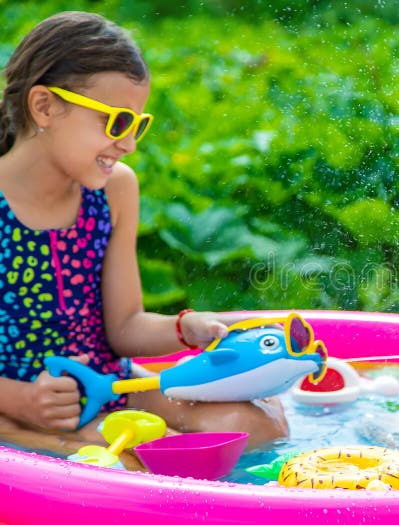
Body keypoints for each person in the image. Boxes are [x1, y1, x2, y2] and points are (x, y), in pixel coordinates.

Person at [0, 11, 287, 457]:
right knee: (141, 458)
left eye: (137, 125)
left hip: (109, 383)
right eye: (116, 123)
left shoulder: (114, 190)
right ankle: (40, 446)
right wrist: (20, 400)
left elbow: (124, 327)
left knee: (257, 425)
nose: (129, 144)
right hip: (16, 401)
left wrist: (185, 328)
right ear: (45, 107)